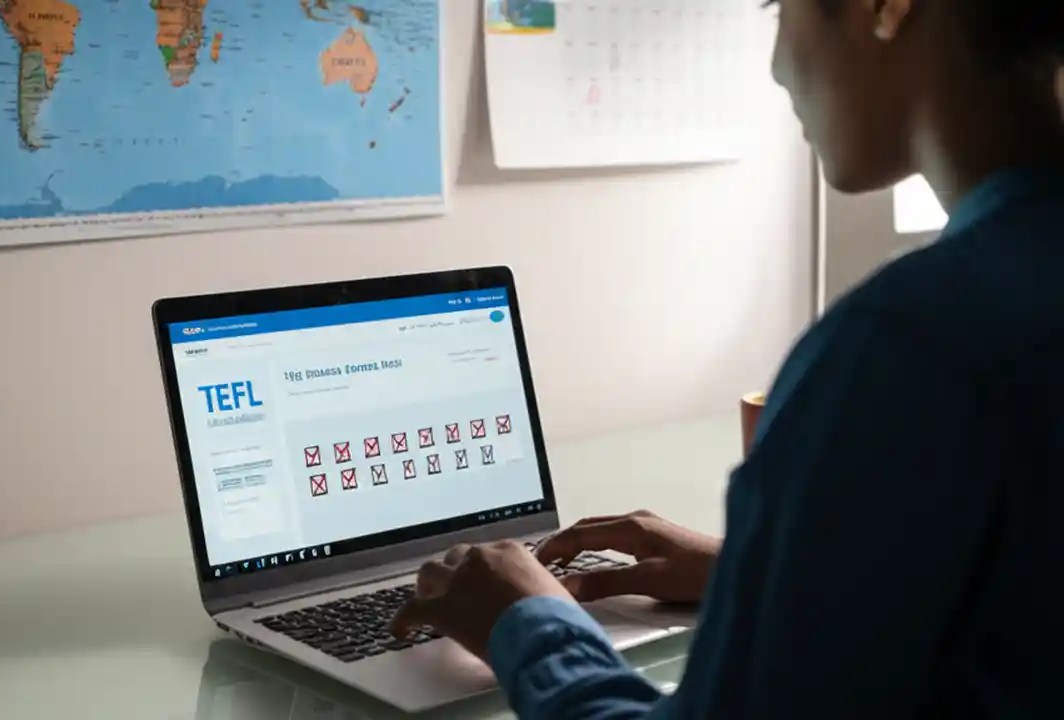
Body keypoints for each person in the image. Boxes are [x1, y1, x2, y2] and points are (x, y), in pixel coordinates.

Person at [391, 0, 1064, 717]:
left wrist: (524, 622)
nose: (776, 67)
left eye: (780, 9)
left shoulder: (907, 345)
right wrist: (770, 580)